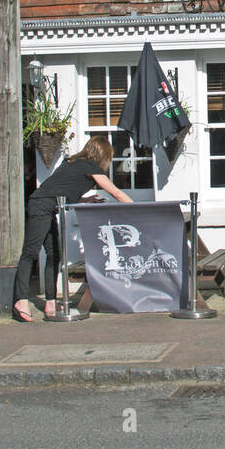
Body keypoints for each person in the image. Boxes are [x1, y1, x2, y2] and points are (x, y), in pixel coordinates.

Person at [13, 135, 135, 322]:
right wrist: (137, 209)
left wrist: (85, 200)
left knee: (54, 255)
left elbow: (63, 189)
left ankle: (51, 302)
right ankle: (20, 300)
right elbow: (115, 192)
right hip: (41, 205)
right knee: (30, 252)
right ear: (102, 155)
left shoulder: (73, 163)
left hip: (48, 205)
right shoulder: (90, 166)